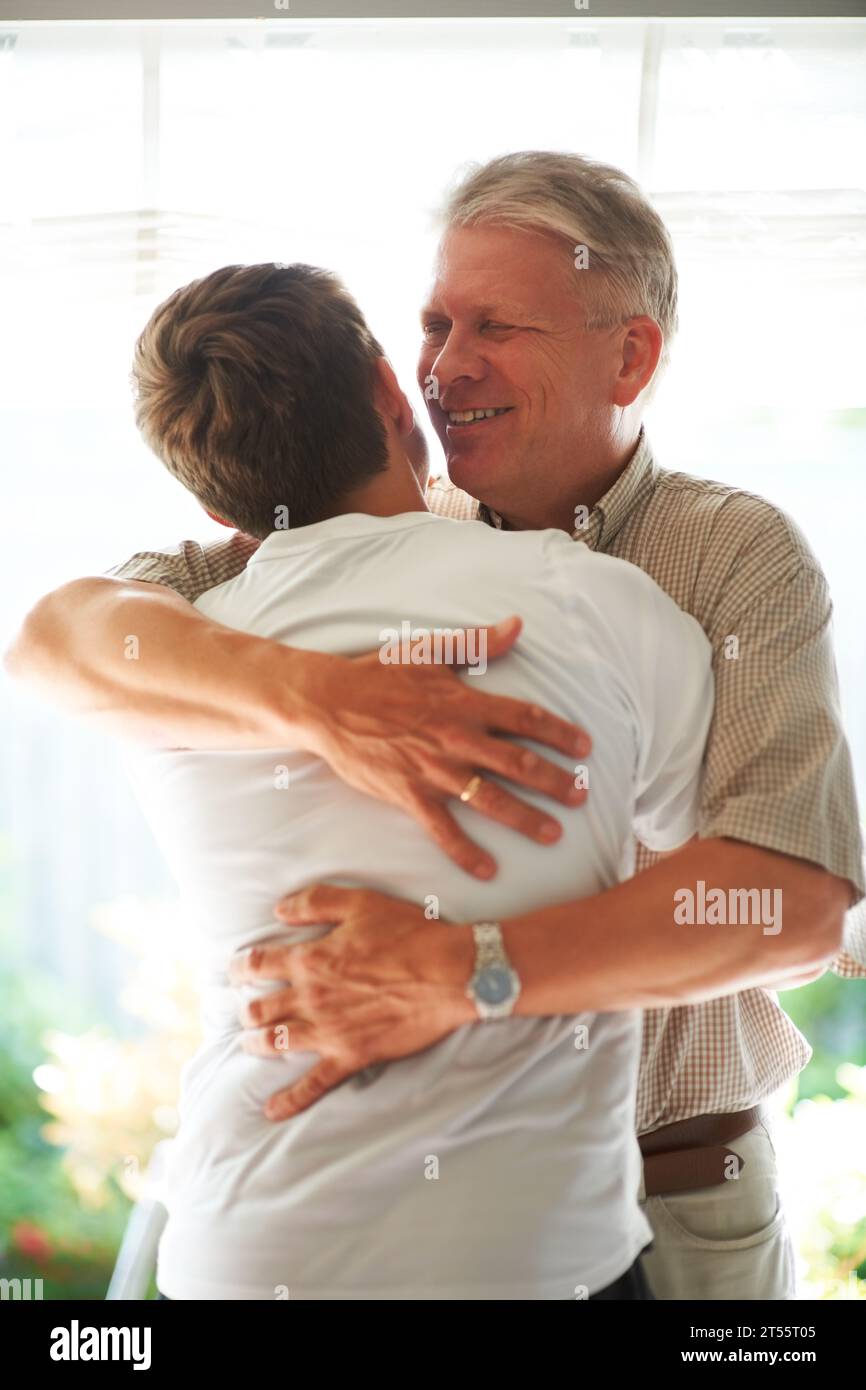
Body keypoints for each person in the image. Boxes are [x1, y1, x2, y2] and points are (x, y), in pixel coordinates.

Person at [6, 152, 862, 1301]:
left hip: (681, 1196)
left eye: (496, 326)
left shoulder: (734, 555)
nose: (447, 366)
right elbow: (59, 639)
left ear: (631, 355)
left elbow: (792, 905)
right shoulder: (337, 515)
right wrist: (320, 698)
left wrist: (468, 972)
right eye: (432, 323)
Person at [124, 260, 712, 1300]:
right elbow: (714, 859)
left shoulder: (174, 674)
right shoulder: (588, 602)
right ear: (395, 399)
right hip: (531, 1260)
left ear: (211, 494)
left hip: (245, 1253)